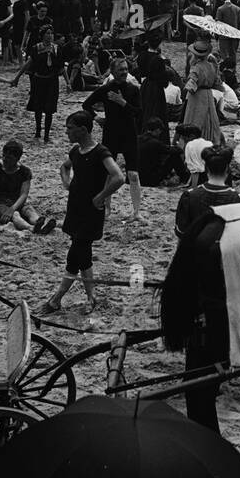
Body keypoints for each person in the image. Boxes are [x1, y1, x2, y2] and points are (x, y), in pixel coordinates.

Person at [36, 111, 125, 317]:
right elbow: (64, 168)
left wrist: (101, 196)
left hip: (91, 211)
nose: (66, 132)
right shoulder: (76, 151)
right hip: (75, 207)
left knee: (75, 255)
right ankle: (90, 297)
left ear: (83, 130)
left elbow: (118, 177)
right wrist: (67, 183)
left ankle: (56, 299)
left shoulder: (100, 152)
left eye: (69, 128)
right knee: (82, 256)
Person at [82, 57, 144, 221]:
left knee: (133, 175)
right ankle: (107, 209)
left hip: (130, 133)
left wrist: (122, 102)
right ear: (113, 72)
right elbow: (86, 104)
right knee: (109, 173)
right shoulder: (106, 88)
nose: (124, 72)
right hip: (111, 133)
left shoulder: (133, 89)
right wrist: (97, 118)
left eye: (126, 69)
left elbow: (139, 113)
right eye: (120, 70)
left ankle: (136, 212)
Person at [9, 24, 66, 142]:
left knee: (50, 109)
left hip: (52, 81)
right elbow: (28, 64)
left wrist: (68, 83)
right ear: (42, 35)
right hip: (39, 80)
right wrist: (17, 78)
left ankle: (47, 134)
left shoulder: (57, 49)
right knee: (38, 107)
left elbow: (61, 67)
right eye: (47, 33)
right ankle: (38, 130)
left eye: (51, 33)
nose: (50, 36)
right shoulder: (36, 48)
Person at [174, 144, 240, 237]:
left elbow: (181, 232)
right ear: (227, 168)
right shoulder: (239, 199)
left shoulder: (189, 196)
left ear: (206, 168)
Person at [0, 139, 54, 234]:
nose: (5, 159)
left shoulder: (24, 172)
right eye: (4, 156)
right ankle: (31, 228)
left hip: (17, 202)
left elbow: (24, 194)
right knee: (15, 215)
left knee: (29, 210)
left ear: (17, 159)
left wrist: (12, 208)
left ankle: (39, 223)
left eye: (9, 158)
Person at [182, 38, 226, 145]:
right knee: (209, 117)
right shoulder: (211, 66)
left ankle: (194, 141)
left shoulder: (196, 68)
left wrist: (186, 87)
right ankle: (210, 139)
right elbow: (218, 83)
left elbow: (191, 85)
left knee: (195, 117)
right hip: (208, 94)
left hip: (197, 95)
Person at [137, 117, 187, 187]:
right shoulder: (155, 143)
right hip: (150, 180)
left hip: (136, 177)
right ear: (157, 130)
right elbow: (177, 151)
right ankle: (185, 179)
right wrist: (179, 146)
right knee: (174, 157)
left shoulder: (137, 139)